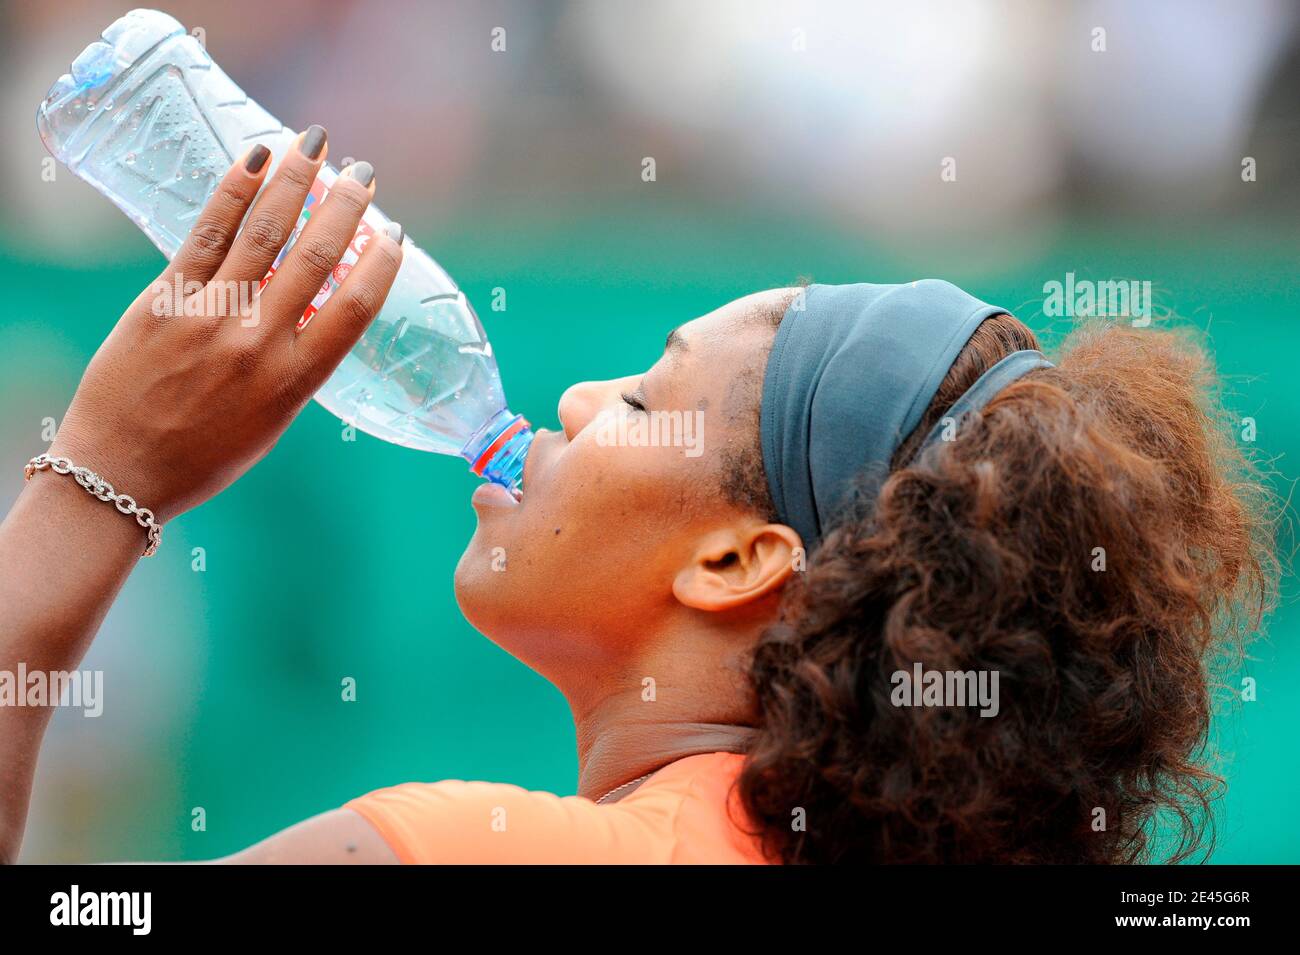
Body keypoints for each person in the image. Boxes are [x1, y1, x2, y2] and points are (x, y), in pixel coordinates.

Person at [0, 133, 1273, 864]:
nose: (573, 401)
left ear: (736, 560)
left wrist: (102, 473)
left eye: (646, 395)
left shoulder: (479, 854)